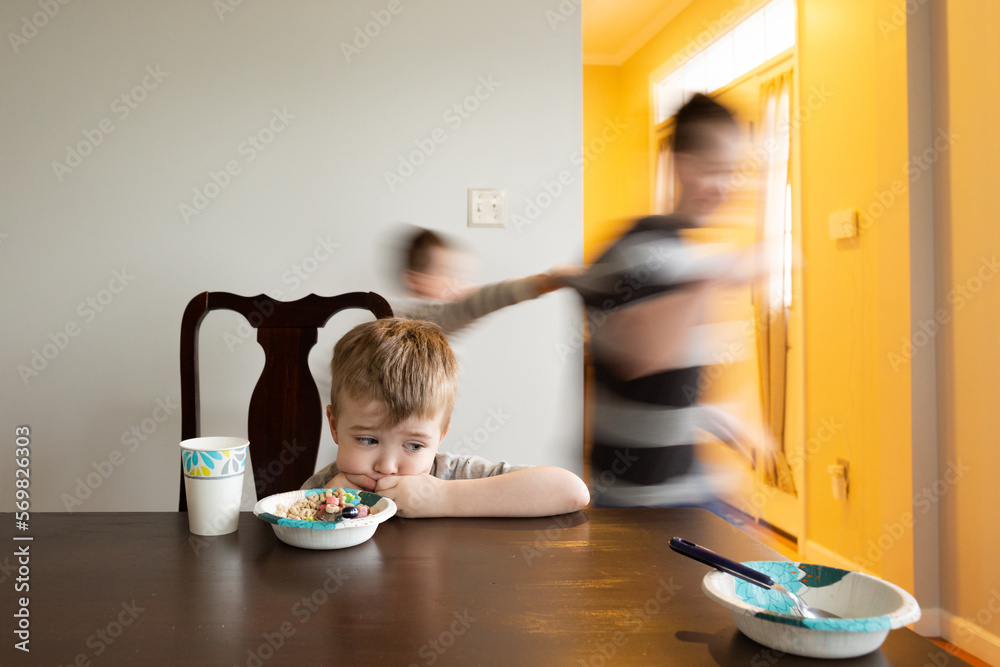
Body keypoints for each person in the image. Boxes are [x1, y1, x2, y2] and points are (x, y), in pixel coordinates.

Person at [567, 93, 768, 508]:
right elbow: (643, 355)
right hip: (637, 502)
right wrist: (712, 276)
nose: (727, 186)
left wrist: (717, 419)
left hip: (688, 488)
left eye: (734, 172)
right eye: (715, 170)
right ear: (682, 166)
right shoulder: (635, 250)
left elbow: (662, 392)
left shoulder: (687, 255)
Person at [302, 317, 590, 517]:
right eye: (367, 440)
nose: (388, 467)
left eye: (414, 446)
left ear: (440, 437)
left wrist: (443, 498)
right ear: (335, 426)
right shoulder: (323, 489)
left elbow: (571, 491)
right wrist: (323, 511)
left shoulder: (453, 475)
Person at [391, 227, 576, 335]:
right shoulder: (414, 323)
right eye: (446, 274)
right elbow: (476, 303)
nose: (458, 285)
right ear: (414, 280)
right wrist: (544, 283)